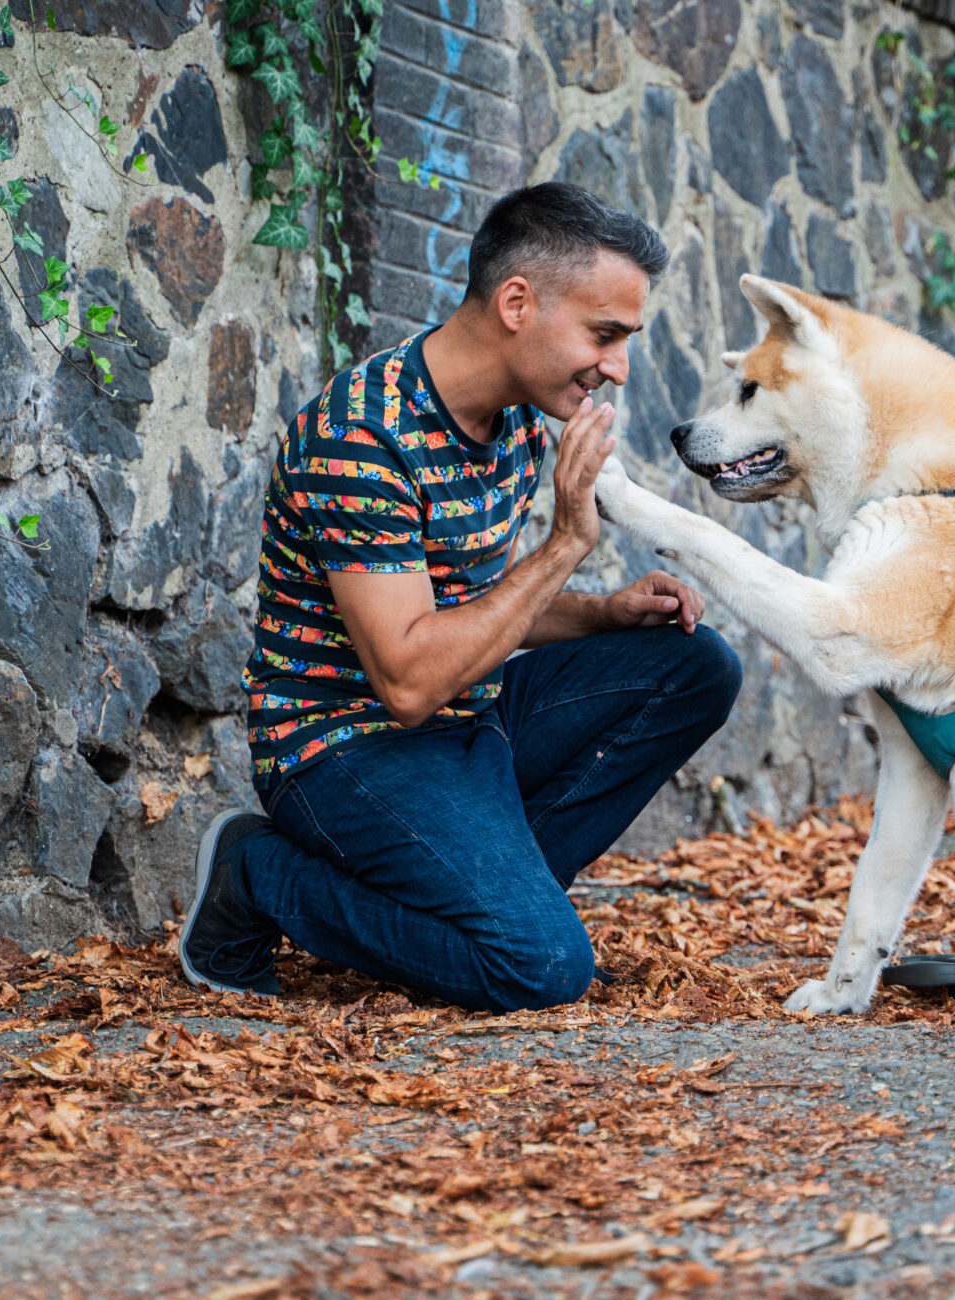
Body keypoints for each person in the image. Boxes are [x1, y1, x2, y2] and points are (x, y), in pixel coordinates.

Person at [178, 182, 742, 1013]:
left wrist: (602, 611)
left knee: (696, 666)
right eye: (605, 334)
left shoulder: (512, 421)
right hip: (343, 749)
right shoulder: (361, 438)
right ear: (518, 302)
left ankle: (497, 906)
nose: (617, 367)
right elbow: (409, 680)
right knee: (543, 972)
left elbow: (475, 607)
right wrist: (563, 546)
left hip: (464, 725)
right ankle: (258, 875)